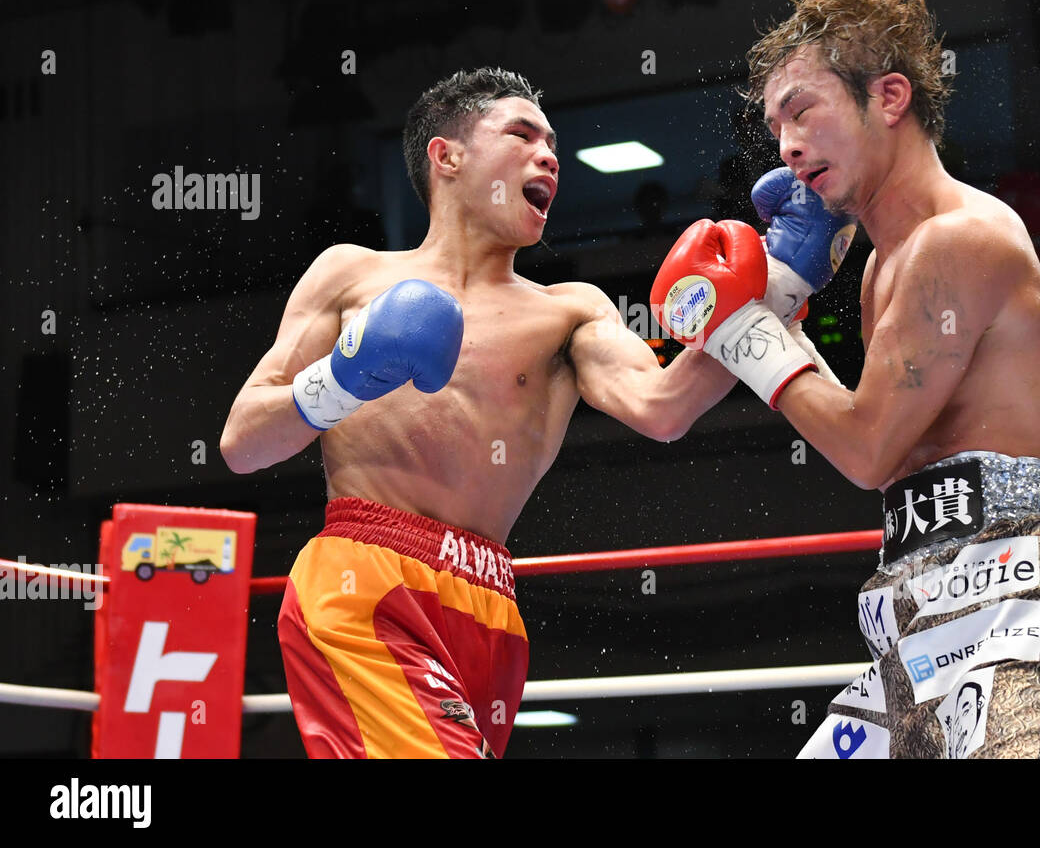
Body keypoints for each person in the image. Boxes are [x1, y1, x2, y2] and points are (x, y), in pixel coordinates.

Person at [218, 67, 848, 758]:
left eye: (553, 143)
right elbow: (243, 443)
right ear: (447, 156)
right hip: (364, 580)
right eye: (521, 134)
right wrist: (343, 376)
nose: (548, 155)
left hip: (489, 605)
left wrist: (783, 279)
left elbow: (664, 408)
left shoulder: (570, 310)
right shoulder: (351, 274)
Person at [651, 0, 1040, 759]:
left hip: (1010, 591)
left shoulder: (960, 241)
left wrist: (746, 329)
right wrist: (775, 302)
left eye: (804, 112)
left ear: (889, 98)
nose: (788, 146)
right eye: (775, 128)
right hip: (913, 596)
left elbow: (866, 448)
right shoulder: (874, 267)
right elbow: (878, 438)